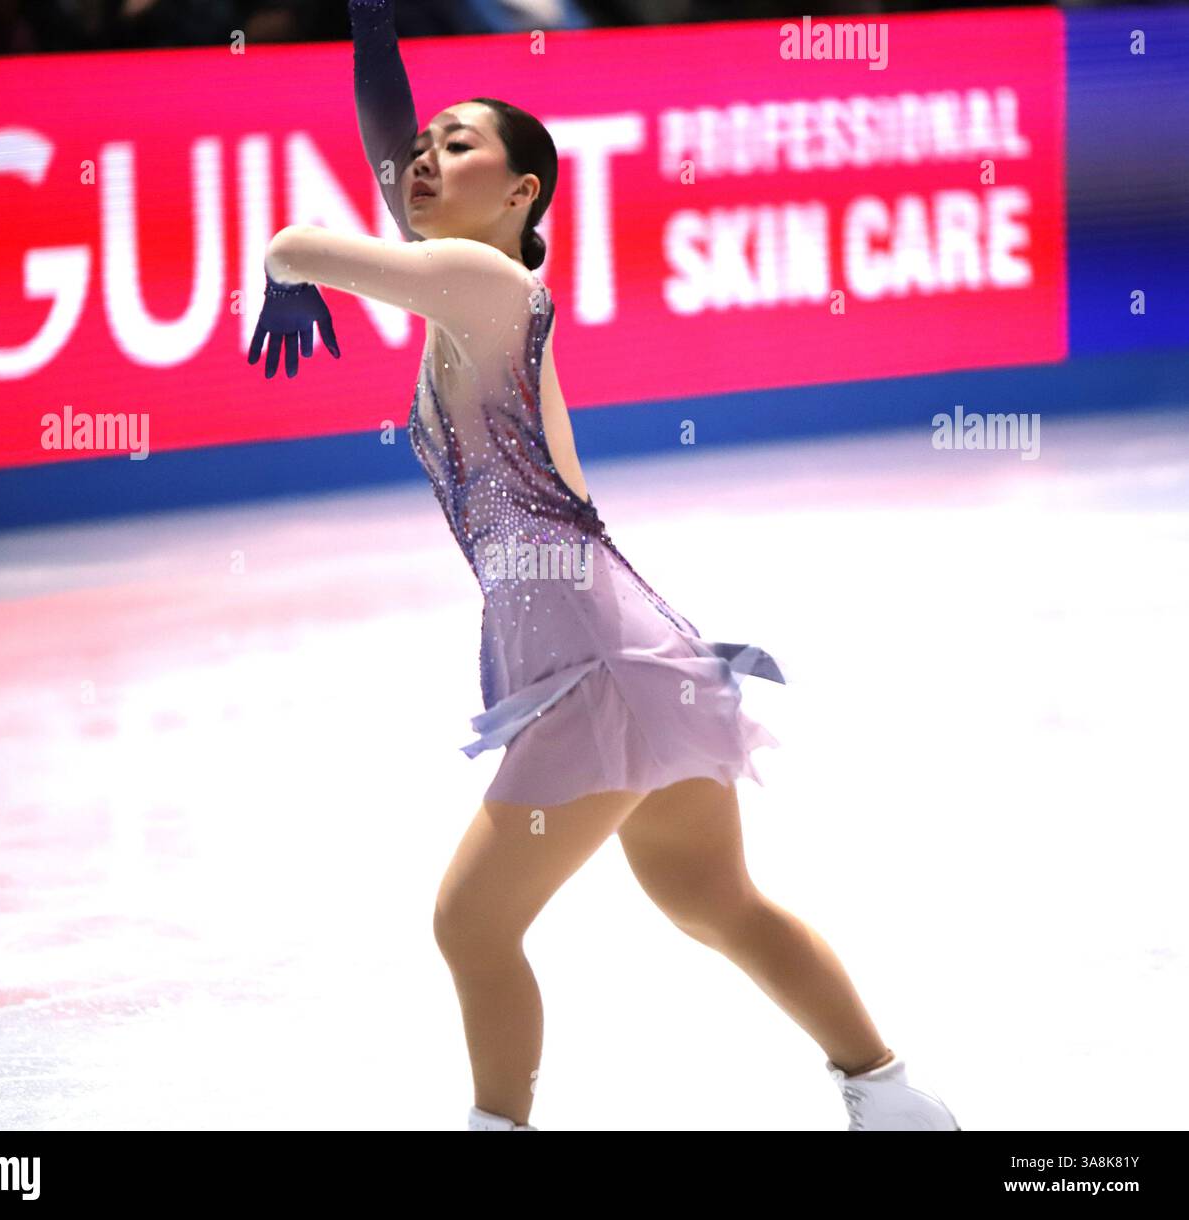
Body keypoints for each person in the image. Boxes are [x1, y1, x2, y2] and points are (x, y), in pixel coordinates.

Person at [246, 0, 961, 1133]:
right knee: (712, 896)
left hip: (595, 661)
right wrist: (369, 20)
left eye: (457, 147)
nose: (423, 162)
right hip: (620, 646)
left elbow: (294, 243)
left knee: (471, 921)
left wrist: (285, 267)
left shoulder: (491, 291)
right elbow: (387, 146)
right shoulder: (455, 290)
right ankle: (893, 1096)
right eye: (422, 151)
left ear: (522, 191)